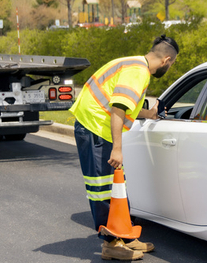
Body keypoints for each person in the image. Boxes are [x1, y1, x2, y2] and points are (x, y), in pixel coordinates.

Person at [69, 35, 179, 261]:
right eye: (172, 64)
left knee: (116, 187)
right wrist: (117, 149)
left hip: (97, 127)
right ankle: (110, 244)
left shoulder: (134, 64)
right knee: (101, 190)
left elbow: (123, 105)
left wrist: (148, 114)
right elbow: (118, 110)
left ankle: (126, 237)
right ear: (167, 59)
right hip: (95, 129)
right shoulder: (138, 72)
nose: (170, 67)